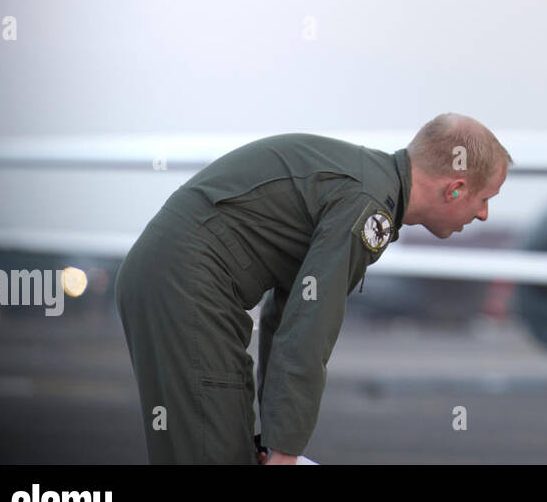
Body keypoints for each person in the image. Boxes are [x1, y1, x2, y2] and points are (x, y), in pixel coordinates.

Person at [115, 113, 511, 464]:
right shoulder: (368, 205)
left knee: (213, 442)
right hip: (187, 286)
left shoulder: (369, 184)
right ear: (455, 188)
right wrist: (286, 450)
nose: (483, 214)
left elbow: (288, 314)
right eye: (484, 198)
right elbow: (310, 328)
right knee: (213, 450)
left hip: (176, 280)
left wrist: (275, 441)